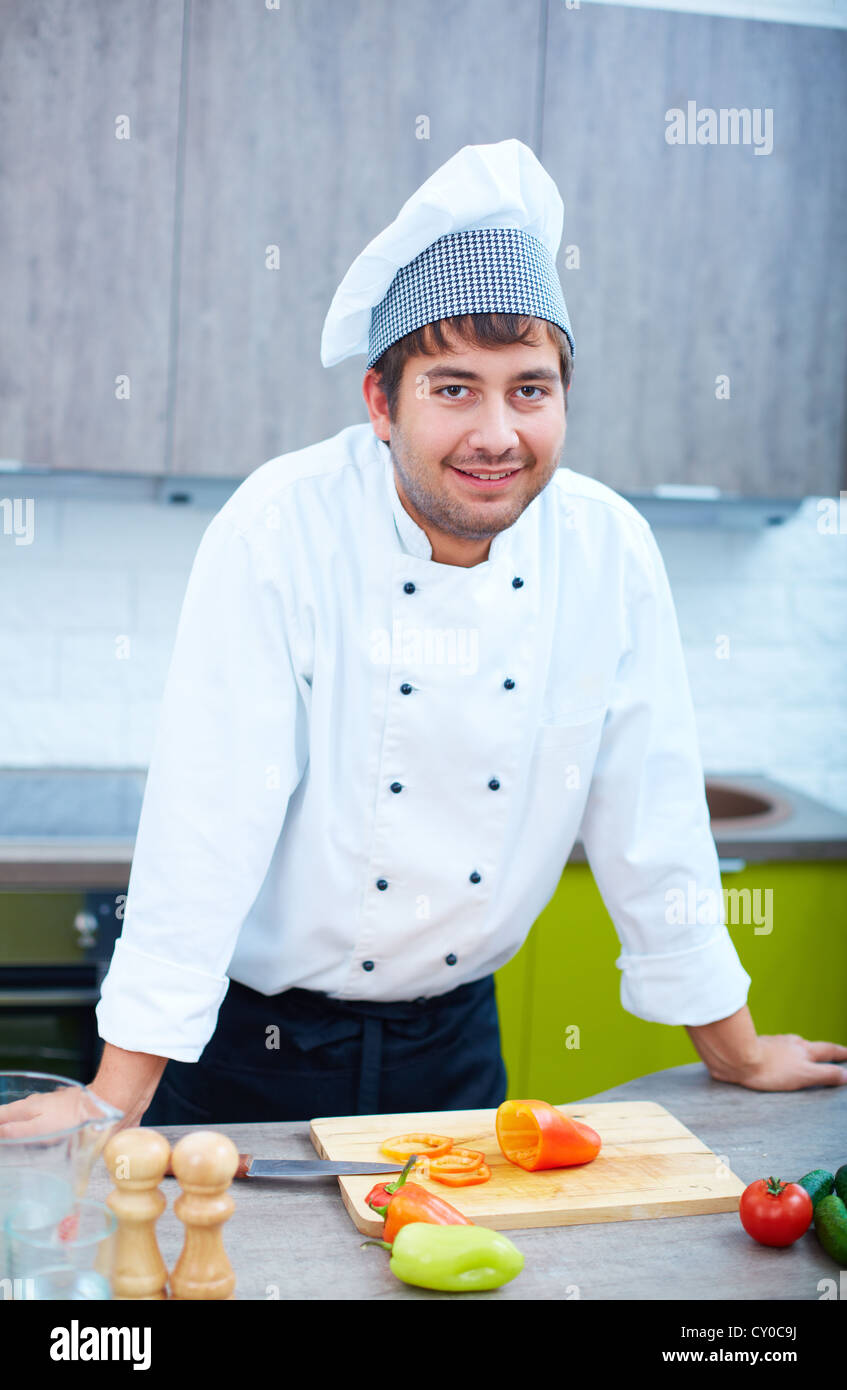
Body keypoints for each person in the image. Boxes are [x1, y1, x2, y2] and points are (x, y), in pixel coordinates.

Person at [2, 140, 844, 1142]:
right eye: (453, 389)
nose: (497, 432)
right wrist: (111, 1101)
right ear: (379, 402)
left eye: (529, 388)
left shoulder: (606, 547)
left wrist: (735, 1049)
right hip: (247, 1056)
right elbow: (207, 824)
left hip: (454, 1053)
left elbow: (650, 814)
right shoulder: (281, 527)